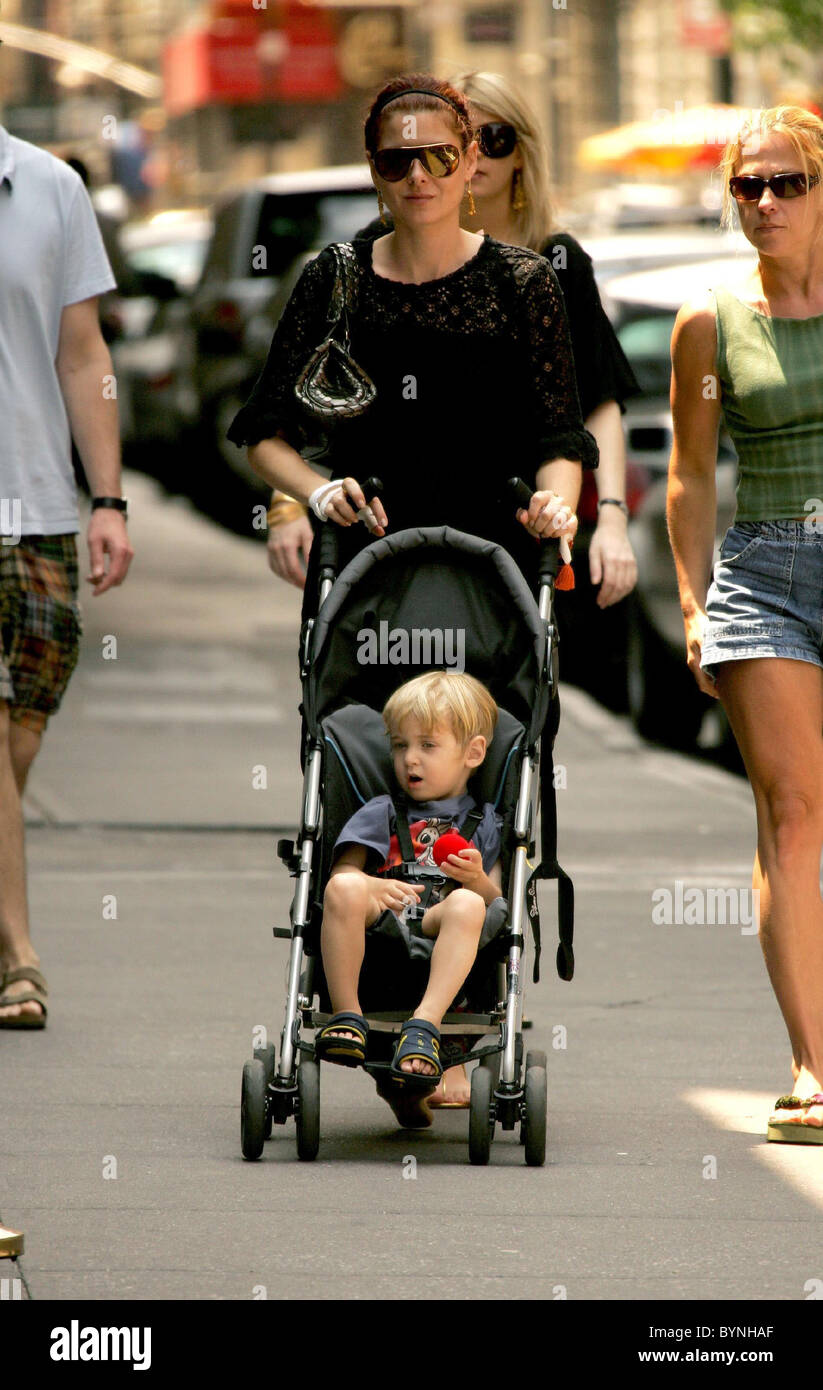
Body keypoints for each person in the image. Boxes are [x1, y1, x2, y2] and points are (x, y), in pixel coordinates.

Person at [264, 71, 639, 707]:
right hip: (378, 556)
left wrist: (599, 518)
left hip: (503, 539)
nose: (421, 175)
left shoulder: (544, 269)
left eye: (455, 151)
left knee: (501, 743)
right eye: (399, 158)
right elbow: (300, 413)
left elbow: (582, 411)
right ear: (376, 169)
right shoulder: (351, 269)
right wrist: (292, 503)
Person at [667, 105, 823, 1142]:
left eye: (786, 183)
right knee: (793, 814)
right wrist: (689, 599)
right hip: (765, 575)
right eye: (747, 186)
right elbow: (686, 477)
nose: (764, 203)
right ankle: (814, 1066)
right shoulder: (708, 320)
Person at [0, 122, 133, 1027]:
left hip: (37, 508)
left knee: (21, 739)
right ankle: (18, 950)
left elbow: (82, 354)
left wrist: (109, 498)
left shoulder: (49, 186)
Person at [316, 670, 505, 1126]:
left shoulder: (485, 822)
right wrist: (370, 885)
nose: (409, 760)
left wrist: (477, 877)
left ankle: (425, 1024)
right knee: (342, 887)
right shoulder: (380, 811)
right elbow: (343, 873)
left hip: (442, 918)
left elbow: (497, 899)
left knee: (472, 904)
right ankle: (348, 1016)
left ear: (473, 753)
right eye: (400, 746)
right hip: (385, 916)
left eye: (427, 746)